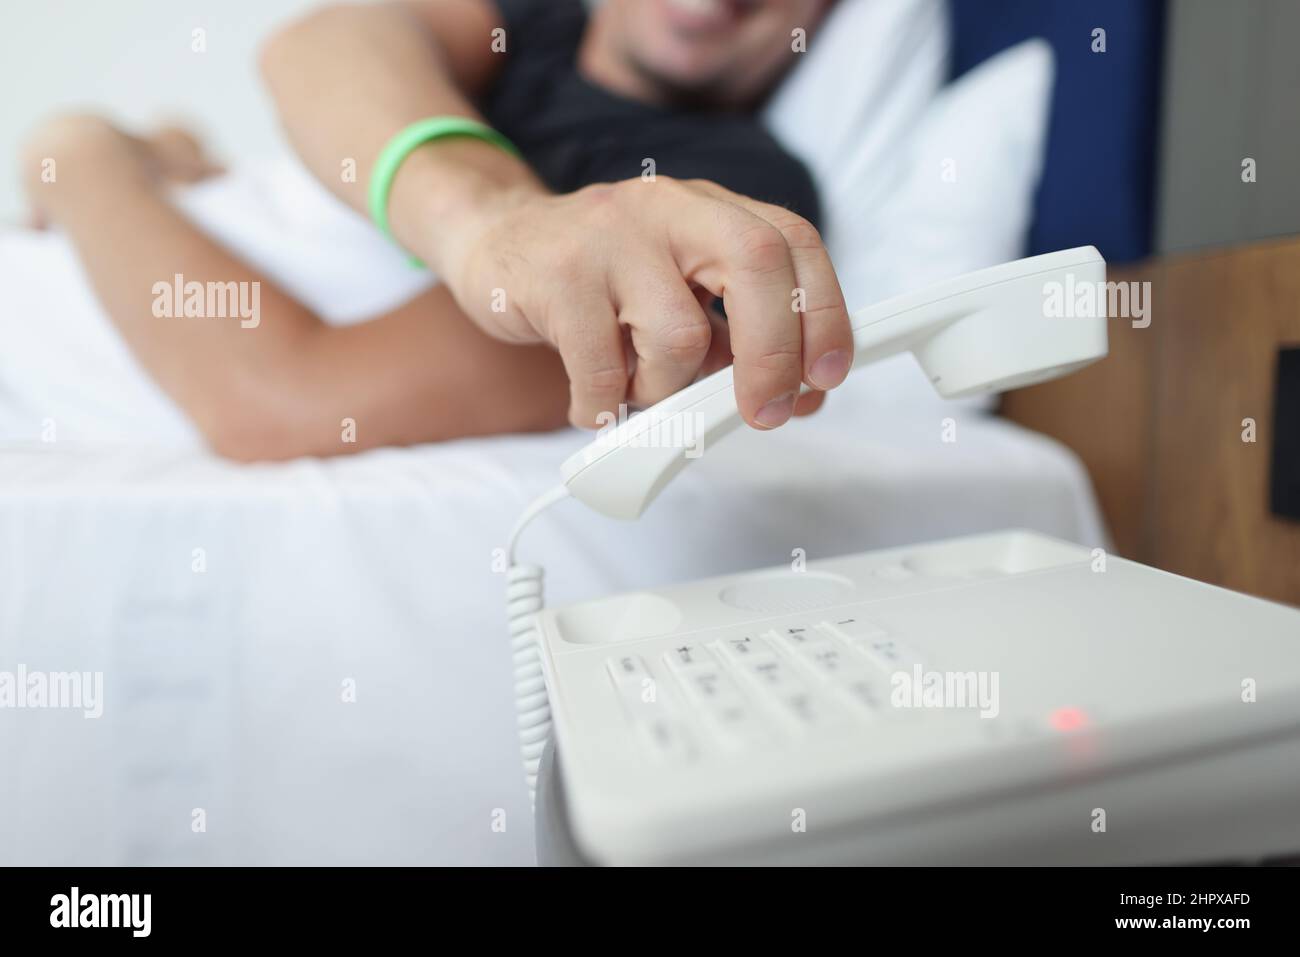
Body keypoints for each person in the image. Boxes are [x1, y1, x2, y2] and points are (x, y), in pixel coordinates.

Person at [19, 0, 853, 461]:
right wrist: (494, 224)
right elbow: (318, 45)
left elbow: (279, 401)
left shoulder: (741, 206)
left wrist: (85, 157)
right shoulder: (520, 28)